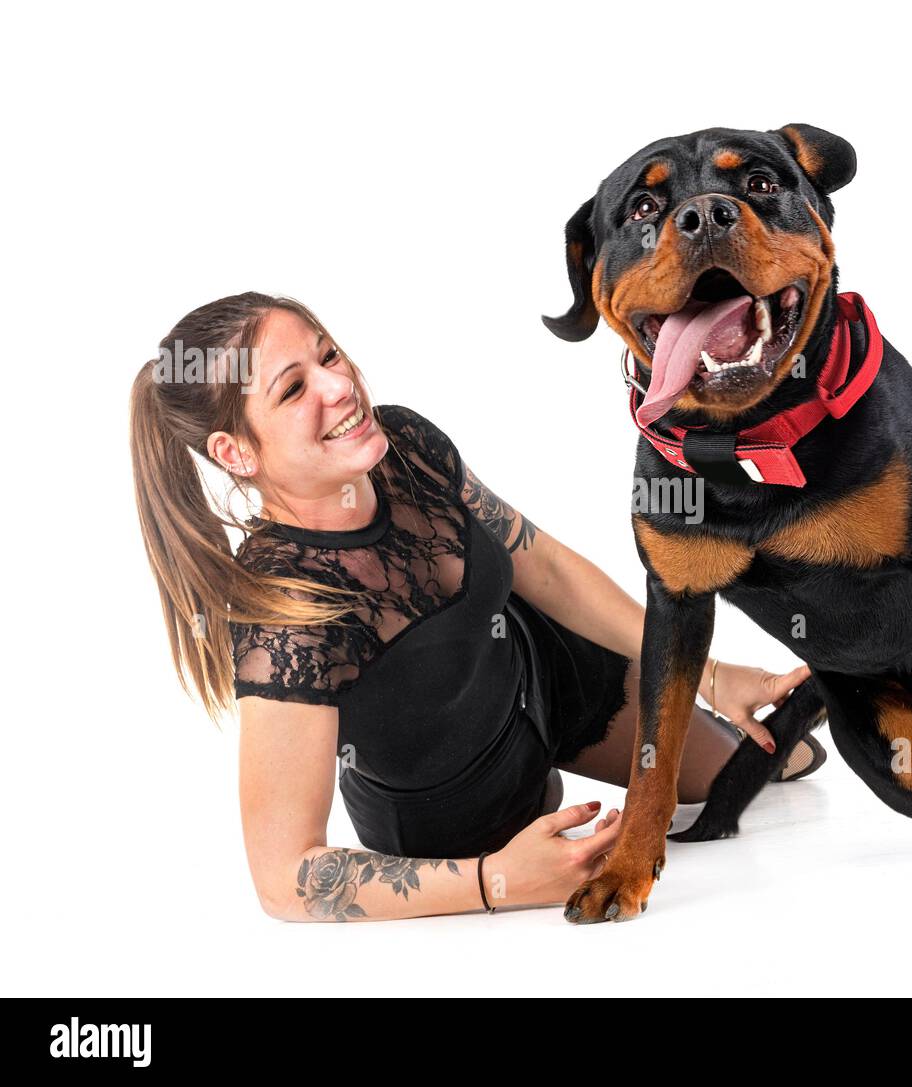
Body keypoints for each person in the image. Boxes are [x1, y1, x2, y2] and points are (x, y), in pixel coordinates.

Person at [128, 291, 824, 923]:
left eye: (328, 353)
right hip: (458, 808)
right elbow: (284, 878)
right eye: (294, 389)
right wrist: (497, 880)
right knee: (733, 795)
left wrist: (703, 671)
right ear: (236, 451)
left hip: (550, 672)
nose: (341, 387)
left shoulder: (405, 445)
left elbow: (543, 564)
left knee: (762, 769)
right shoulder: (281, 612)